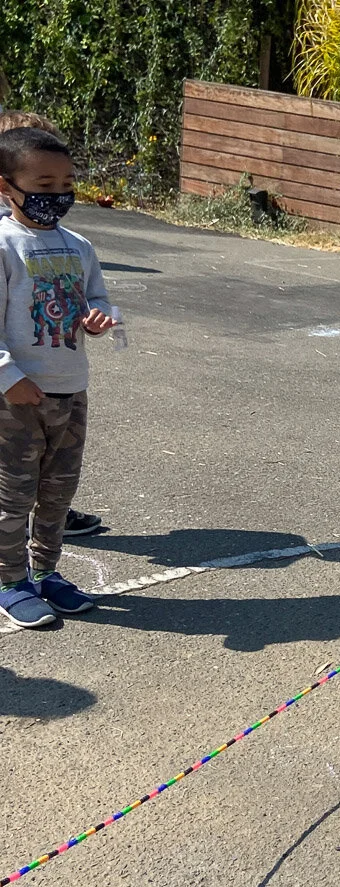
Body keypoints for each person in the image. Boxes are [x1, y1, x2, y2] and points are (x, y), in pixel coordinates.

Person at [0, 127, 116, 628]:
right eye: (43, 185)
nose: (57, 195)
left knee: (58, 492)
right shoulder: (5, 246)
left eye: (66, 184)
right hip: (18, 396)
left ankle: (46, 572)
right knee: (13, 494)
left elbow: (99, 298)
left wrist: (100, 316)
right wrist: (8, 375)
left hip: (71, 389)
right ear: (6, 187)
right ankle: (9, 580)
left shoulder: (79, 245)